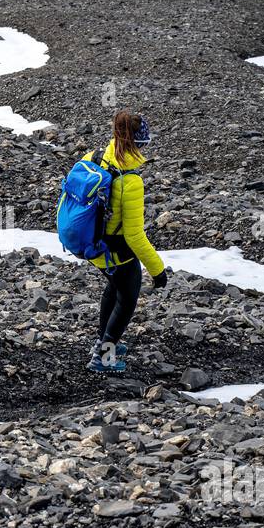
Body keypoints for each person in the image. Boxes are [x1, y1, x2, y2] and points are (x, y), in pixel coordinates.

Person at [85, 111, 168, 373]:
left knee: (114, 288)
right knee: (127, 300)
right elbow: (134, 236)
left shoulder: (96, 157)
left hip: (92, 244)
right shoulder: (130, 181)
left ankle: (102, 342)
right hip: (117, 251)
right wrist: (157, 269)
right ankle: (104, 358)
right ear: (138, 144)